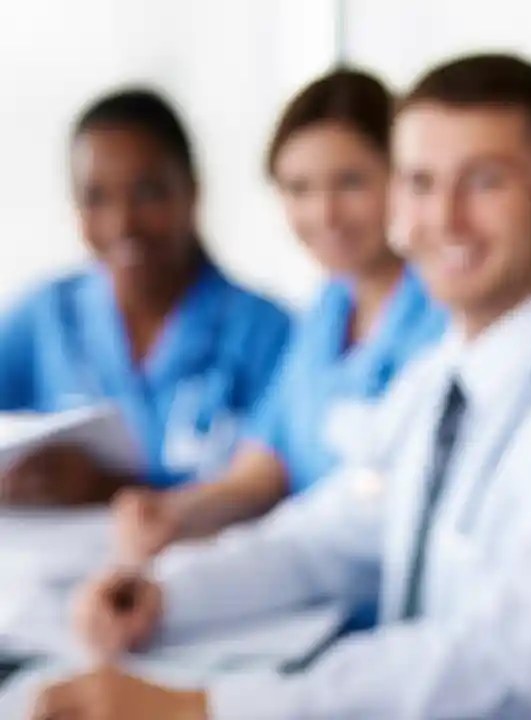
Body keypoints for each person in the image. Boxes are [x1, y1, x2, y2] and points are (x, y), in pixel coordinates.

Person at [28, 54, 531, 720]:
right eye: (420, 182)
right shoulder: (443, 375)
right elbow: (333, 534)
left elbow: (501, 666)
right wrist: (167, 593)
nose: (444, 218)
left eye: (484, 182)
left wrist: (202, 709)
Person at [111, 69, 448, 562]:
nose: (325, 214)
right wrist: (175, 512)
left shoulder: (440, 315)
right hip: (302, 579)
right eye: (299, 189)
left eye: (350, 183)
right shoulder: (328, 311)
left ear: (403, 179)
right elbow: (267, 465)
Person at [0, 89, 291, 506]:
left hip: (208, 567)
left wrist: (111, 488)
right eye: (96, 198)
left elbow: (281, 498)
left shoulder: (266, 335)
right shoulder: (48, 316)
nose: (122, 223)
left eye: (148, 192)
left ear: (191, 191)